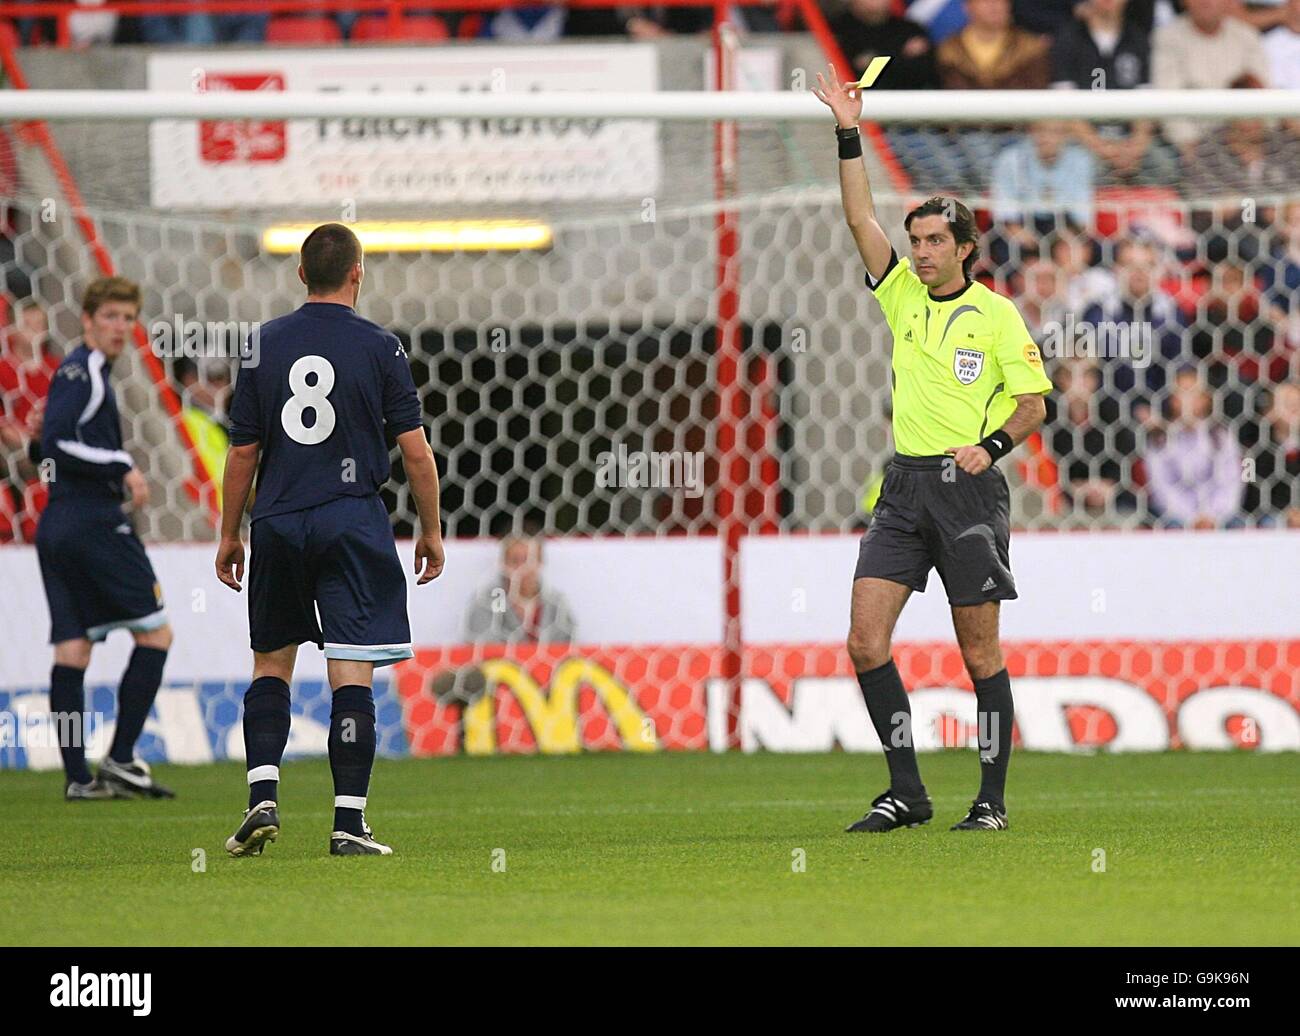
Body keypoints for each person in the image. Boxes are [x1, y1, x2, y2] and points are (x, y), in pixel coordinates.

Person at [814, 67, 1053, 834]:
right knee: (863, 639)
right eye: (914, 240)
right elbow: (858, 218)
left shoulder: (996, 315)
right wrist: (849, 131)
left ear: (965, 248)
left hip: (969, 489)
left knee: (979, 656)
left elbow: (1034, 404)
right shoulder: (902, 294)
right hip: (904, 488)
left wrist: (991, 447)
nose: (917, 253)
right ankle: (907, 792)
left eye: (932, 242)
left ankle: (990, 799)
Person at [216, 223, 445, 858]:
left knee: (271, 663)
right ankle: (348, 824)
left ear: (299, 276)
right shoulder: (381, 348)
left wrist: (230, 534)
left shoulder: (265, 344)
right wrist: (430, 530)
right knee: (351, 672)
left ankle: (262, 796)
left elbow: (242, 454)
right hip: (352, 520)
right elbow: (416, 454)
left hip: (280, 519)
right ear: (358, 273)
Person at [33, 277, 175, 801]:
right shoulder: (87, 371)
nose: (120, 327)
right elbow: (58, 442)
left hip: (56, 525)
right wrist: (123, 465)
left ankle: (77, 779)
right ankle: (119, 759)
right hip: (93, 524)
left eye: (128, 318)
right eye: (111, 316)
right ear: (88, 319)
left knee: (73, 650)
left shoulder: (70, 370)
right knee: (156, 635)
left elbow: (41, 448)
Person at [1152, 0, 1270, 159]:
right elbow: (1167, 101)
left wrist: (1247, 141)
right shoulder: (1167, 38)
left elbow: (1262, 95)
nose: (1206, 2)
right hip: (1189, 146)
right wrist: (1189, 144)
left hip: (1242, 140)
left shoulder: (1247, 35)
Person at [1144, 368, 1244, 527]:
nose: (1188, 399)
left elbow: (1233, 482)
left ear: (1207, 398)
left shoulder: (1221, 436)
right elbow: (1160, 487)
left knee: (1240, 526)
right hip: (1175, 517)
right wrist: (1191, 518)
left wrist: (1211, 515)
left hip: (1219, 517)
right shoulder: (1160, 439)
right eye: (1182, 392)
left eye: (1194, 392)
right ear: (1172, 399)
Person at [463, 534, 578, 643]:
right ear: (503, 563)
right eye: (515, 560)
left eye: (529, 560)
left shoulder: (555, 602)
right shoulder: (490, 600)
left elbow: (569, 644)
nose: (523, 568)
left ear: (540, 563)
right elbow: (481, 645)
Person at [830, 0, 938, 90]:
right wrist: (901, 55)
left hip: (908, 102)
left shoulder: (910, 30)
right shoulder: (835, 31)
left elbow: (925, 73)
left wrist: (874, 61)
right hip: (856, 103)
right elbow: (862, 80)